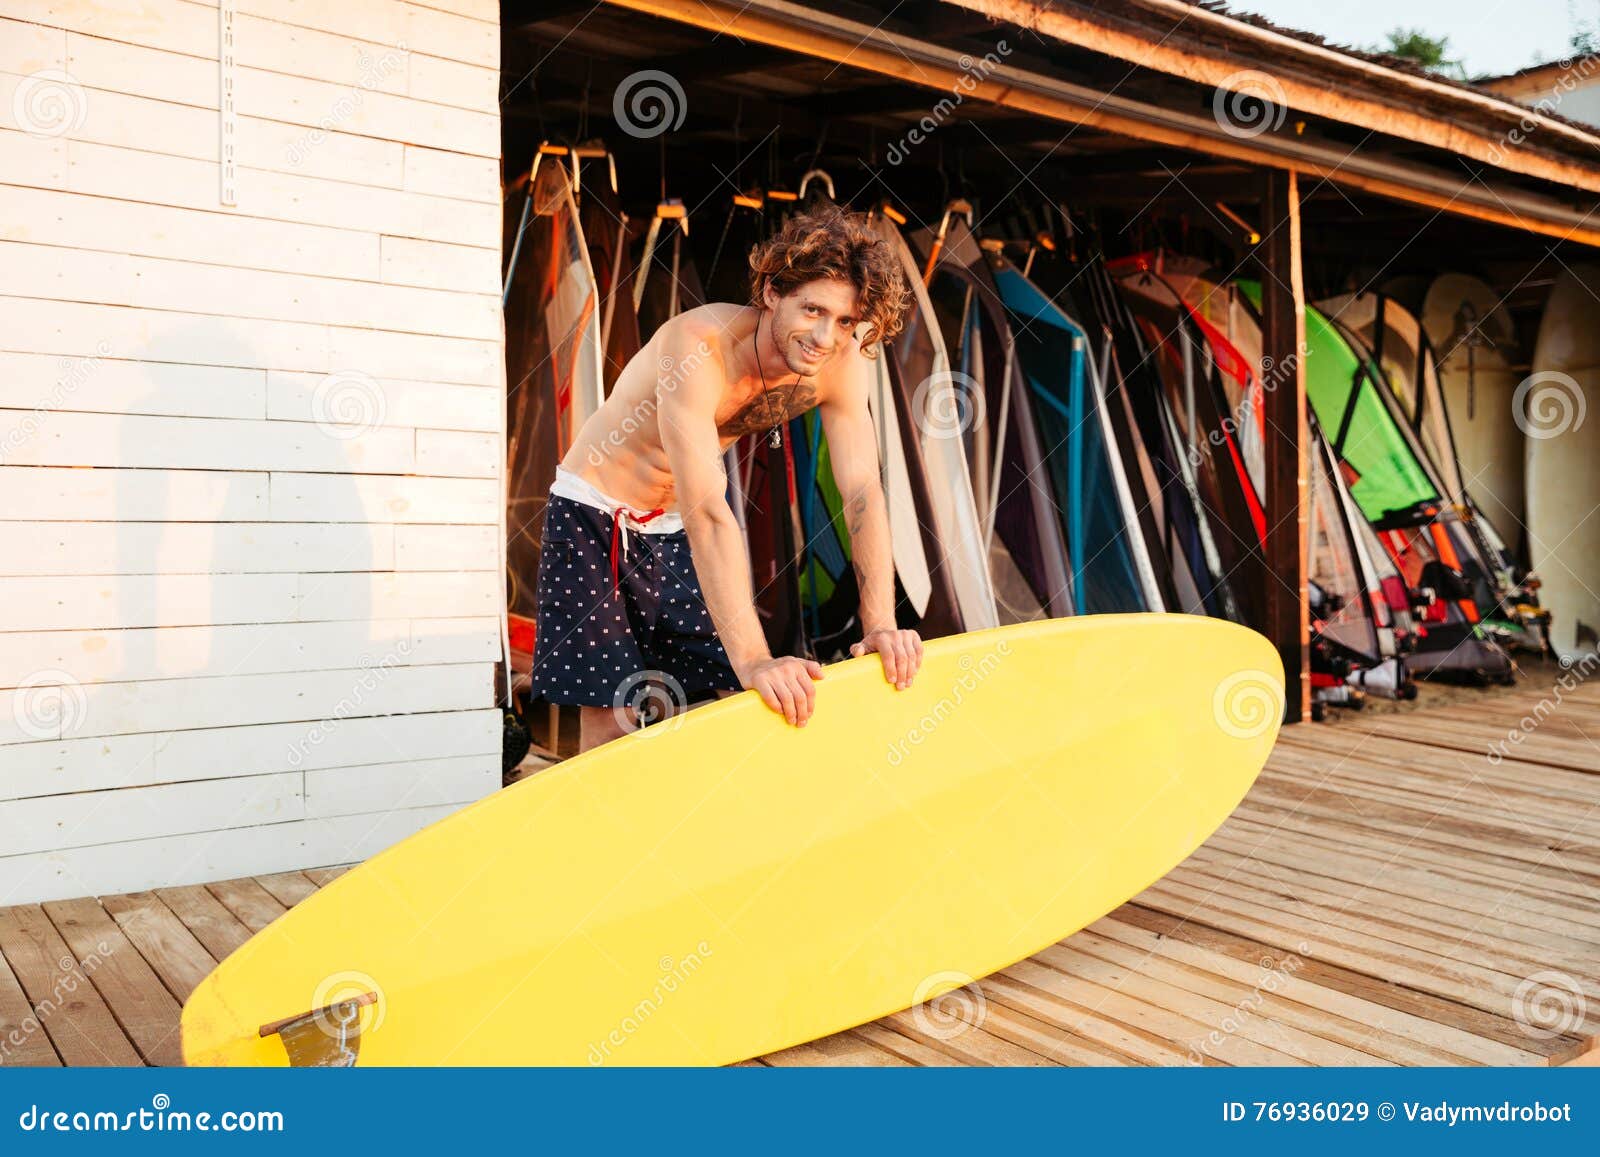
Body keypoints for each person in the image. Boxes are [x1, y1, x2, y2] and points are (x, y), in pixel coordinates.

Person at [526, 205, 925, 751]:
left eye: (847, 321)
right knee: (613, 717)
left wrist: (878, 621)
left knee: (727, 698)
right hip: (594, 514)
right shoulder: (696, 346)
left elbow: (861, 489)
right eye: (813, 309)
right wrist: (756, 658)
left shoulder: (839, 359)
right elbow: (709, 513)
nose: (826, 335)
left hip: (670, 525)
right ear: (770, 293)